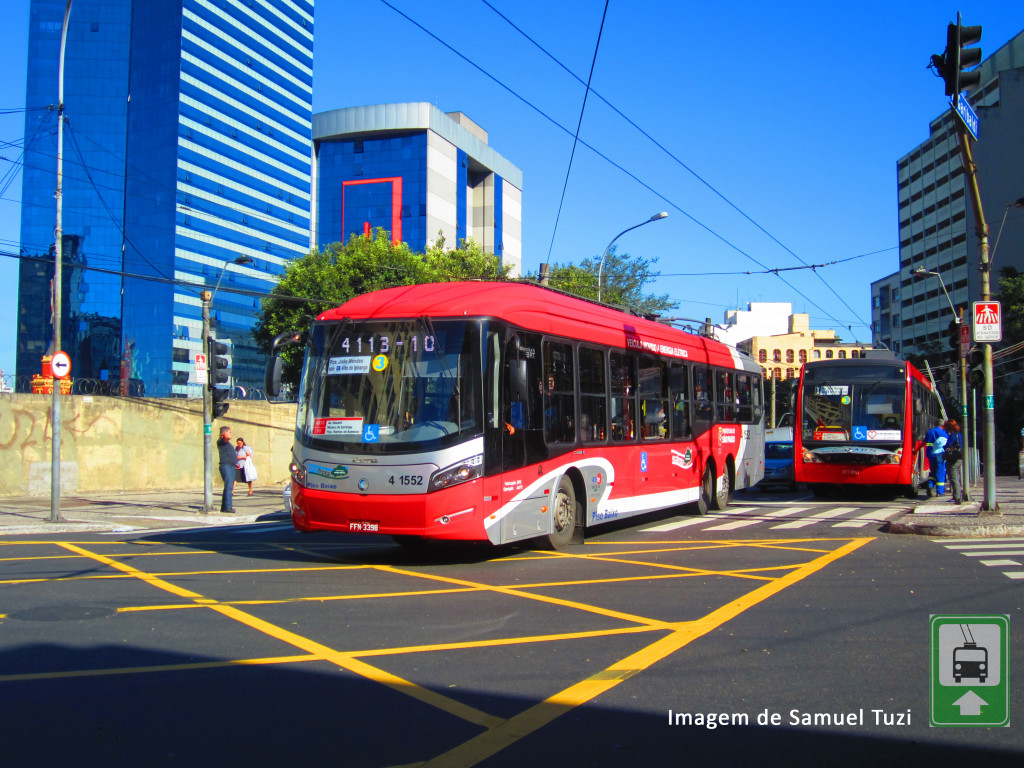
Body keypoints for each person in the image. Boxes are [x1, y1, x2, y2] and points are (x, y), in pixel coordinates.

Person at [924, 418, 949, 497]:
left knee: (933, 471)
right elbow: (947, 443)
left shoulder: (930, 431)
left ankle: (930, 484)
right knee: (940, 472)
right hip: (940, 454)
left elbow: (924, 441)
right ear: (943, 425)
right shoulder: (944, 433)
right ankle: (940, 491)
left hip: (930, 454)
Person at [943, 419, 965, 504]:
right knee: (956, 477)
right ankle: (957, 495)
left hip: (953, 459)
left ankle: (957, 497)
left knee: (953, 478)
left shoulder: (952, 436)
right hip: (959, 458)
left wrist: (945, 447)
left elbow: (948, 445)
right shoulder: (960, 435)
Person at [217, 425, 236, 512]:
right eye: (229, 432)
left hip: (231, 466)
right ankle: (228, 507)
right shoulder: (221, 442)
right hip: (226, 466)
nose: (231, 433)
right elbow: (223, 439)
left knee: (229, 487)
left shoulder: (228, 444)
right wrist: (224, 436)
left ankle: (224, 507)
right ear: (223, 433)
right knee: (228, 487)